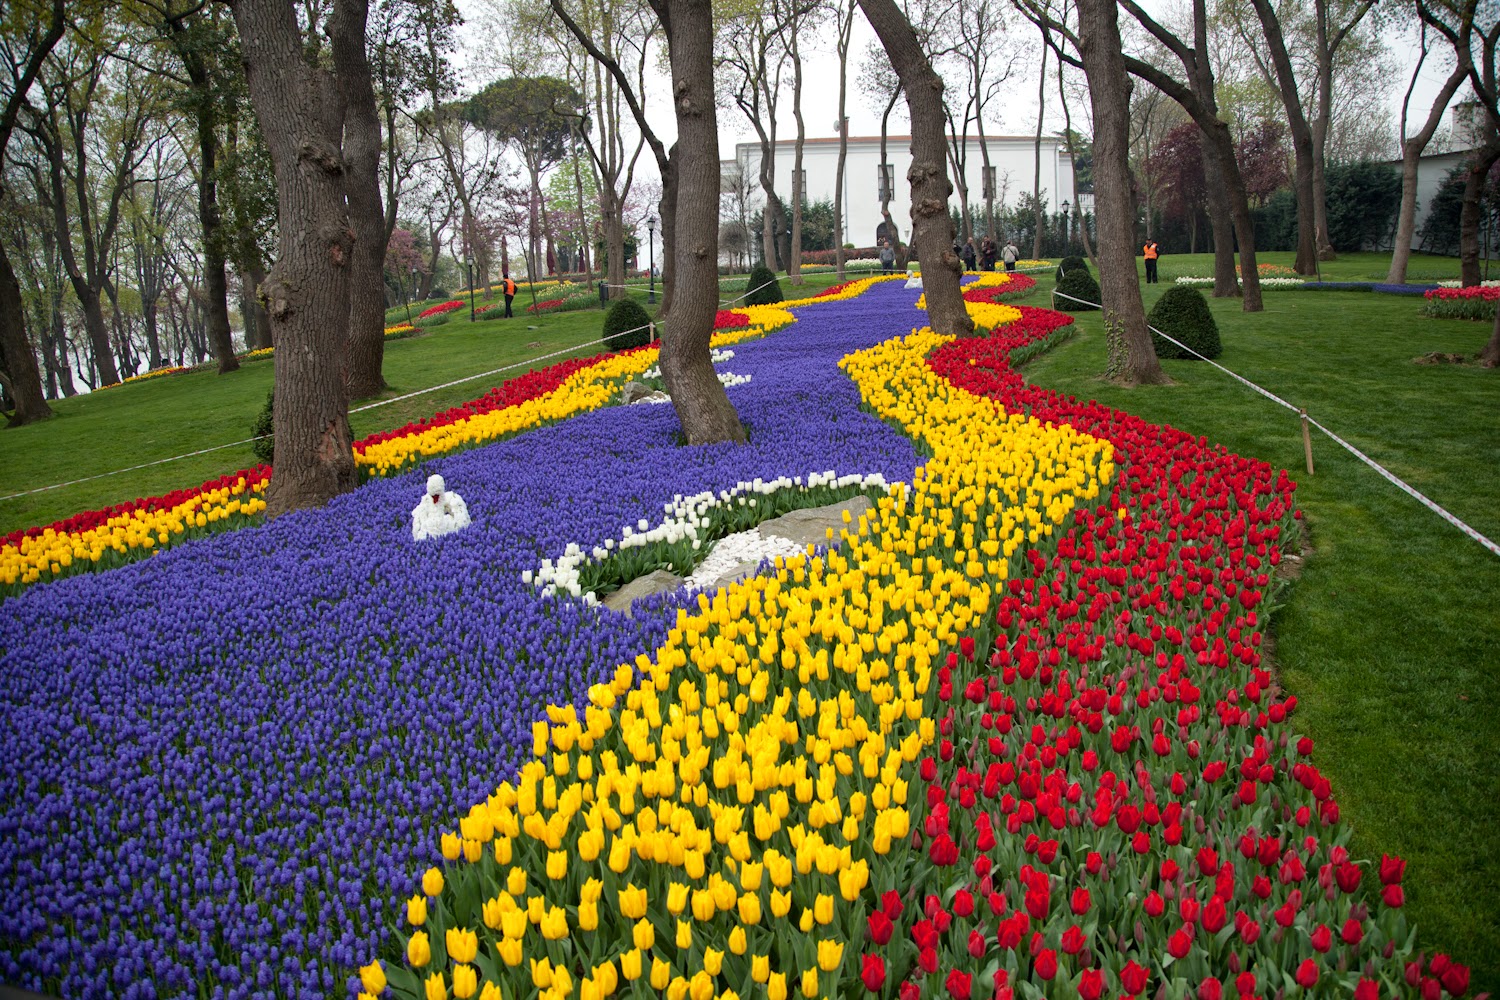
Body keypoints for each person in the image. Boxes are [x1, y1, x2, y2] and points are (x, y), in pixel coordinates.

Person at [412, 474, 471, 541]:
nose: (435, 499)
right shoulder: (423, 512)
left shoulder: (458, 524)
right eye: (433, 496)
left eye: (437, 496)